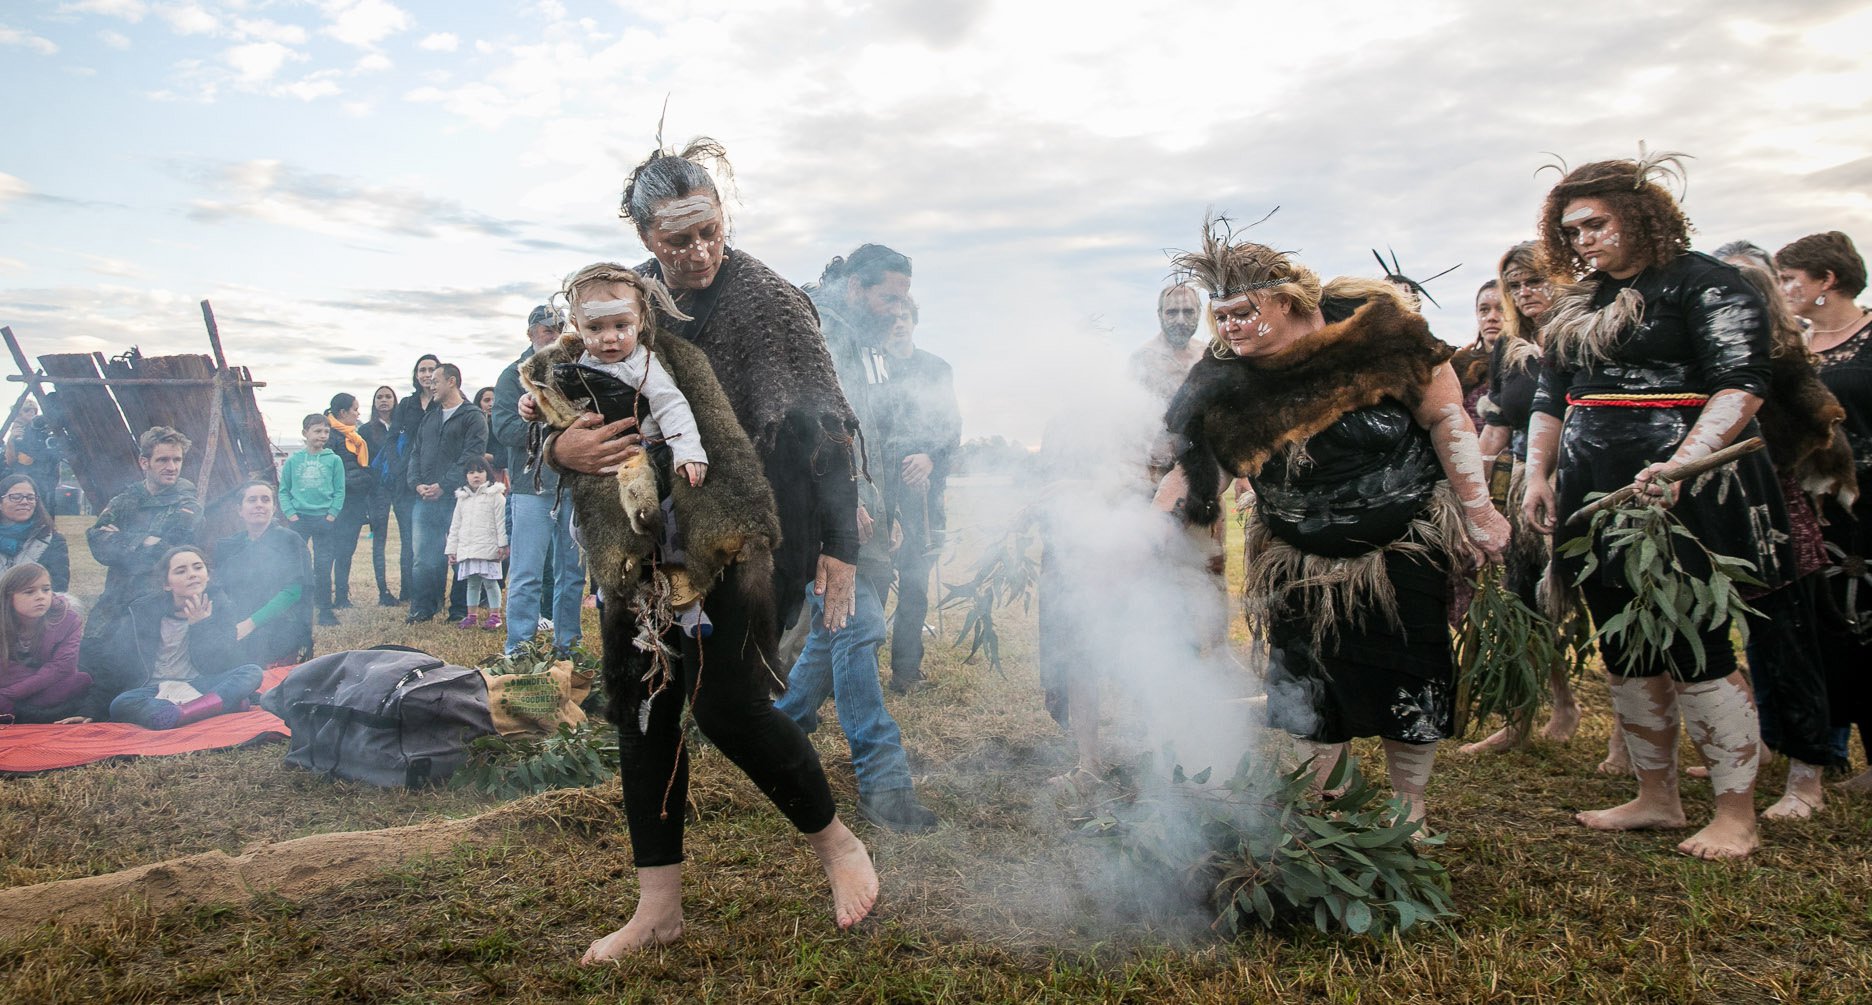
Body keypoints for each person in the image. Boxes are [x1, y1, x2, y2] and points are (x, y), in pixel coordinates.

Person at [543, 136, 876, 960]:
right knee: (644, 695)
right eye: (675, 237)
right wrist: (561, 450)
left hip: (759, 530)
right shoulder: (623, 300)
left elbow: (825, 429)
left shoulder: (768, 301)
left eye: (708, 230)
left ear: (723, 217)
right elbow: (536, 389)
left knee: (726, 704)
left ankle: (839, 844)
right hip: (652, 533)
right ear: (644, 232)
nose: (696, 251)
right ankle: (658, 906)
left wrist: (840, 546)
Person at [1161, 217, 1510, 829]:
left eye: (1244, 311)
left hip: (1402, 545)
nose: (1230, 326)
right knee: (1307, 686)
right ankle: (1323, 807)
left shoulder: (1374, 331)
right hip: (1298, 558)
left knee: (1409, 675)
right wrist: (1146, 533)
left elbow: (1446, 417)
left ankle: (1410, 809)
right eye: (1223, 314)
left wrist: (1478, 510)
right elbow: (1199, 467)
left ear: (1291, 301)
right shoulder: (1224, 375)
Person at [1522, 151, 1788, 860]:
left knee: (1696, 644)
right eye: (1571, 229)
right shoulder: (1580, 303)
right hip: (1592, 494)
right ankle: (1656, 796)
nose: (1583, 241)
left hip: (1684, 492)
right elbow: (1553, 397)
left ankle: (1736, 813)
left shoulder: (1707, 283)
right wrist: (1536, 477)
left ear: (1640, 214)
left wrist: (1683, 460)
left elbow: (1742, 382)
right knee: (1622, 641)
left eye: (1596, 223)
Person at [776, 243, 939, 832]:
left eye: (903, 299)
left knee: (832, 632)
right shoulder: (817, 333)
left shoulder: (869, 346)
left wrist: (886, 505)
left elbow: (872, 430)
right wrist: (841, 507)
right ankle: (884, 784)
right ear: (855, 289)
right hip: (824, 514)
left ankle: (781, 726)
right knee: (859, 623)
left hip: (862, 509)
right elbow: (807, 432)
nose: (898, 309)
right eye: (889, 297)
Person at [1461, 242, 1587, 756]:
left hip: (1588, 482)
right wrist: (1467, 493)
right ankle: (1522, 717)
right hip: (1524, 492)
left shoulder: (1587, 332)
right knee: (1524, 600)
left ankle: (1630, 737)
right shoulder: (1510, 351)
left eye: (1535, 280)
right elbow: (1494, 428)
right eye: (1515, 285)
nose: (1524, 293)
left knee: (1601, 597)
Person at [1776, 230, 1872, 795]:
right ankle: (1827, 749)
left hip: (1871, 500)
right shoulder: (1798, 347)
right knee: (1830, 628)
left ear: (1825, 281)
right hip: (1818, 504)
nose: (1783, 288)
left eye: (1791, 278)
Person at [77, 546, 263, 729]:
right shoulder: (142, 612)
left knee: (252, 672)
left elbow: (220, 664)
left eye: (198, 567)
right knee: (121, 703)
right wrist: (92, 709)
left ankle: (185, 713)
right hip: (156, 691)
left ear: (208, 575)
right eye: (181, 571)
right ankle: (216, 706)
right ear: (167, 584)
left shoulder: (221, 607)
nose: (192, 574)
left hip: (199, 686)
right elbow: (114, 663)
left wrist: (201, 625)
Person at [494, 306, 586, 657]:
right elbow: (503, 428)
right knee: (526, 573)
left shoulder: (575, 370)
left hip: (572, 484)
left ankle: (569, 646)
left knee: (572, 572)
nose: (554, 334)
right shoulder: (511, 377)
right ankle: (519, 648)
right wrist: (553, 430)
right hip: (530, 486)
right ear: (530, 333)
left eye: (561, 327)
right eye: (546, 329)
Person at [878, 300, 960, 693]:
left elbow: (951, 430)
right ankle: (850, 675)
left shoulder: (937, 369)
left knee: (914, 587)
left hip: (924, 499)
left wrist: (930, 458)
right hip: (878, 496)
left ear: (915, 321)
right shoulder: (870, 369)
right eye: (890, 318)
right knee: (872, 587)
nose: (897, 324)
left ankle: (906, 674)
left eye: (904, 317)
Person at [83, 426, 203, 645]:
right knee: (92, 658)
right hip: (115, 599)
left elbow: (164, 551)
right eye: (163, 460)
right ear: (144, 462)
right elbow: (97, 542)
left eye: (177, 460)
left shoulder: (188, 505)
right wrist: (145, 540)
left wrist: (123, 540)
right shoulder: (124, 499)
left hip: (158, 603)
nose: (172, 467)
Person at [405, 363, 487, 624]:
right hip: (425, 498)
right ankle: (423, 608)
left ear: (451, 381)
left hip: (458, 498)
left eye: (436, 381)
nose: (430, 385)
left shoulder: (473, 416)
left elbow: (471, 456)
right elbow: (416, 452)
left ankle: (459, 610)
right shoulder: (429, 417)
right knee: (423, 557)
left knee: (461, 555)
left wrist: (444, 485)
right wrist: (416, 483)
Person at [213, 480, 313, 666]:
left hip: (277, 625)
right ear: (239, 510)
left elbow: (292, 593)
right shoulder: (230, 546)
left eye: (265, 499)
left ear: (273, 508)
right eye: (252, 500)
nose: (259, 504)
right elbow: (221, 588)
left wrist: (250, 624)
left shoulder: (289, 541)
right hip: (236, 622)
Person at [278, 413, 346, 627]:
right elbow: (283, 490)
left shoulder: (334, 460)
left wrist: (331, 514)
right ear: (305, 433)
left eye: (326, 431)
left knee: (324, 566)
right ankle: (296, 610)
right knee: (296, 565)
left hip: (324, 519)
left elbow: (340, 490)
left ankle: (325, 610)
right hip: (300, 519)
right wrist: (291, 515)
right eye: (317, 431)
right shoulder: (293, 460)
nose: (323, 435)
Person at [0, 562, 88, 723]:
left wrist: (9, 694)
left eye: (46, 589)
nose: (41, 596)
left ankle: (16, 711)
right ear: (9, 596)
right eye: (29, 592)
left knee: (79, 680)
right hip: (12, 681)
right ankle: (28, 713)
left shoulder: (68, 619)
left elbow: (62, 666)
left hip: (44, 683)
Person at [389, 355, 440, 603]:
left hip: (435, 477)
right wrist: (398, 466)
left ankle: (435, 594)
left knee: (436, 541)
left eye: (431, 369)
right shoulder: (407, 404)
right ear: (415, 374)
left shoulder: (443, 402)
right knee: (408, 539)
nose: (426, 374)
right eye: (422, 369)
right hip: (407, 479)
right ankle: (409, 591)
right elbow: (392, 438)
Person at [324, 393, 375, 610]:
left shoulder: (354, 437)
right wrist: (364, 478)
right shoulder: (330, 436)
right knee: (330, 553)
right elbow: (332, 472)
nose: (358, 413)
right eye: (355, 409)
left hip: (354, 504)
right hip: (337, 505)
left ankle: (342, 596)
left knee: (346, 552)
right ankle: (324, 597)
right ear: (342, 412)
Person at [445, 458, 508, 631]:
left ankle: (495, 616)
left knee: (490, 582)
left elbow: (501, 522)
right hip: (468, 548)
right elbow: (455, 525)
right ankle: (471, 615)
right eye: (471, 472)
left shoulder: (495, 496)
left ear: (487, 473)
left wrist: (503, 544)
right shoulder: (462, 498)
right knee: (472, 583)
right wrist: (452, 549)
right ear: (465, 476)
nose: (476, 476)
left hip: (489, 549)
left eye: (480, 471)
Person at [359, 385, 401, 606]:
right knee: (380, 540)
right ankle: (383, 590)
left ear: (395, 400)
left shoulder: (402, 427)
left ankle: (408, 590)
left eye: (388, 396)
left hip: (401, 487)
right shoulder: (365, 430)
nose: (384, 400)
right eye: (379, 397)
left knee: (408, 539)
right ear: (374, 402)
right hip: (377, 490)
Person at [0, 473, 70, 591]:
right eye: (16, 497)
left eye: (30, 497)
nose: (24, 502)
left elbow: (58, 588)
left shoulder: (52, 540)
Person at [4, 397, 63, 514]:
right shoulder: (18, 432)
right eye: (27, 410)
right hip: (25, 479)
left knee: (47, 507)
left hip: (46, 478)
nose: (31, 412)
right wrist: (12, 440)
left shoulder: (42, 429)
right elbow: (10, 461)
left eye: (34, 410)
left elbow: (54, 457)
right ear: (18, 414)